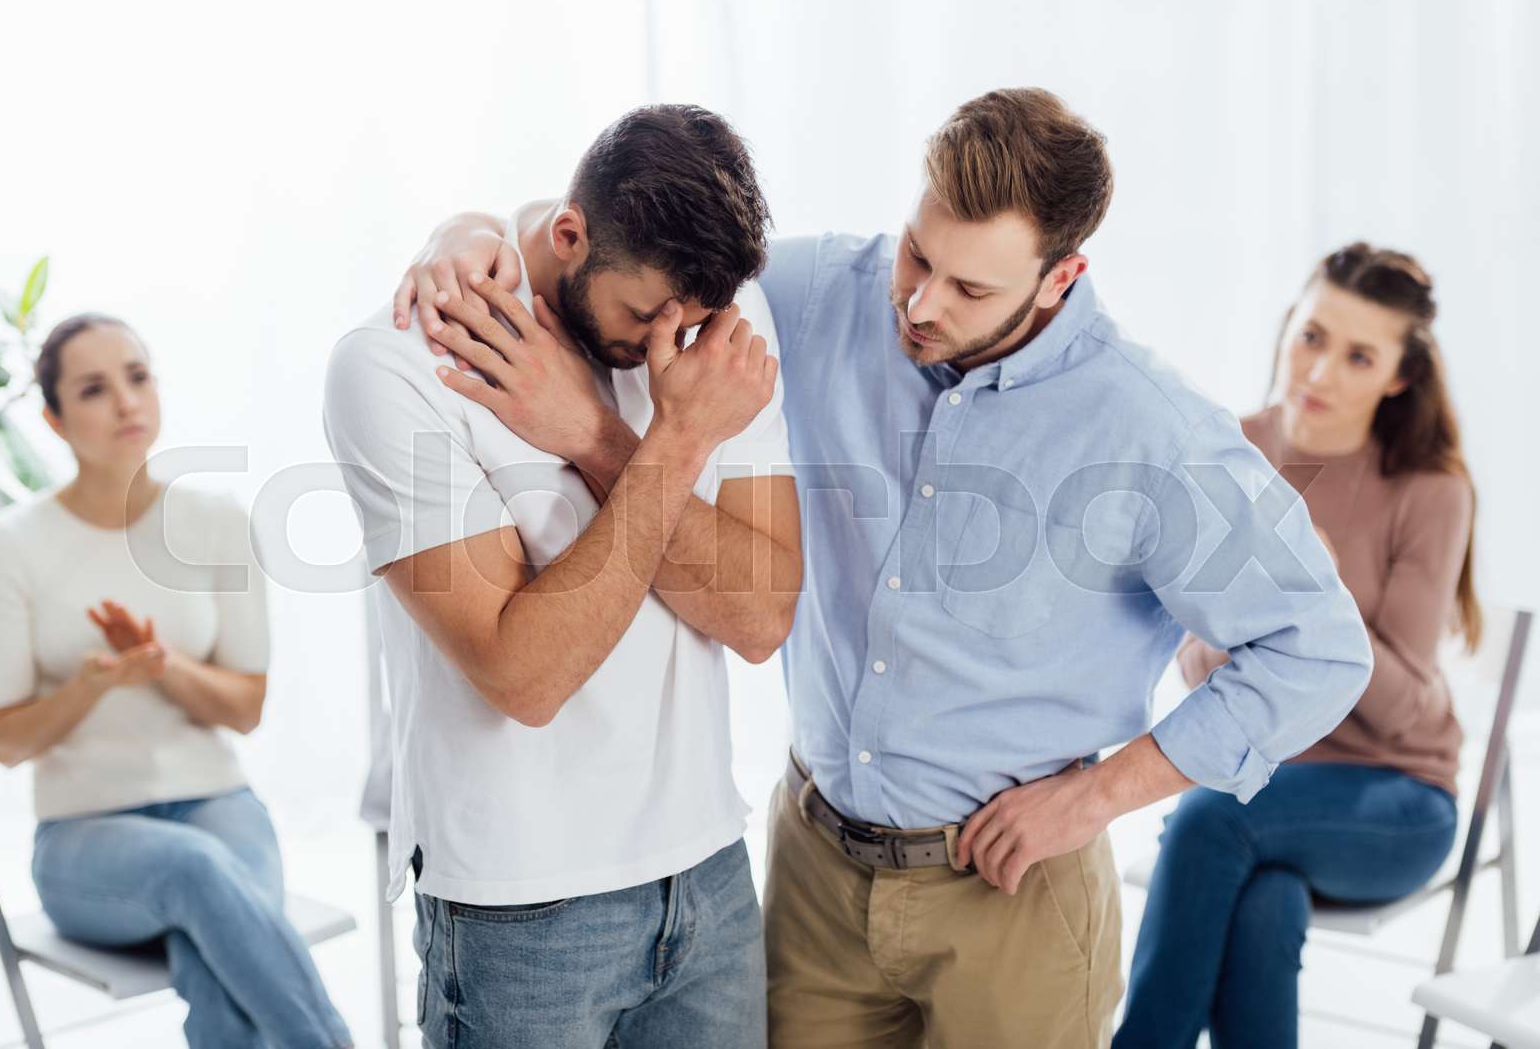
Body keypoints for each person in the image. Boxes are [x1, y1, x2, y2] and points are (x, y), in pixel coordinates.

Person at [398, 87, 1373, 1047]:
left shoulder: (1154, 432)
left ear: (1061, 277)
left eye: (970, 288)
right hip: (812, 877)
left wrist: (1099, 795)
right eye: (917, 253)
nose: (917, 302)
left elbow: (1315, 652)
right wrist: (467, 232)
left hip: (1013, 898)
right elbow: (633, 246)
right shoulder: (819, 294)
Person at [323, 104, 800, 1049]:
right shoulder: (401, 366)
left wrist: (597, 433)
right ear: (571, 235)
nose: (673, 348)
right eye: (642, 316)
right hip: (519, 914)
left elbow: (759, 619)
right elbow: (525, 676)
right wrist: (675, 443)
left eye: (695, 323)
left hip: (705, 870)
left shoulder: (714, 339)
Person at [0, 313, 352, 1049]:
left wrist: (162, 666)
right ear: (54, 417)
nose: (127, 403)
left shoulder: (215, 521)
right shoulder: (9, 548)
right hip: (84, 837)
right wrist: (95, 683)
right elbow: (6, 742)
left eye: (138, 377)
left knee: (216, 954)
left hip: (219, 804)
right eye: (95, 389)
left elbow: (246, 709)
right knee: (201, 873)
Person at [1117, 244, 1475, 1049]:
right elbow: (1194, 662)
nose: (1319, 373)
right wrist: (1246, 610)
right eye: (1311, 336)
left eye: (1358, 357)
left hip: (1396, 796)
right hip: (1269, 783)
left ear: (1398, 378)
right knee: (1264, 902)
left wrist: (1321, 586)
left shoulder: (1430, 490)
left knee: (1209, 817)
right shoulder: (1231, 448)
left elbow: (1404, 712)